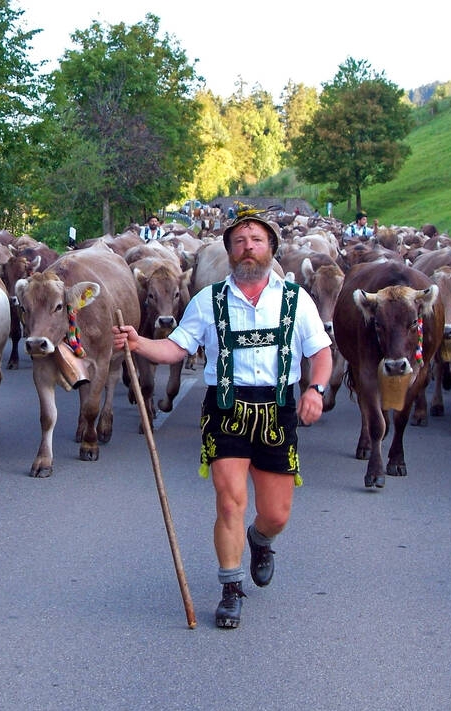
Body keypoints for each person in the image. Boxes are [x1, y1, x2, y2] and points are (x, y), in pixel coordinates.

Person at [112, 209, 333, 629]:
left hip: (278, 410)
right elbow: (177, 348)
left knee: (276, 513)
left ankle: (261, 538)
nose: (248, 248)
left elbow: (320, 353)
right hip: (225, 409)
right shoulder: (208, 301)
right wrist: (139, 344)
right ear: (230, 251)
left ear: (271, 249)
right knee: (230, 501)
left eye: (257, 240)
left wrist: (316, 390)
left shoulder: (294, 300)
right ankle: (231, 589)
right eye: (240, 242)